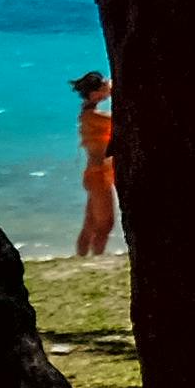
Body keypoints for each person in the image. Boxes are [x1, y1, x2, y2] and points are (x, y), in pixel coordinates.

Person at [70, 70, 119, 257]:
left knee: (90, 224)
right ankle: (97, 259)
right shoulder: (93, 117)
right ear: (94, 94)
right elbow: (119, 120)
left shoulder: (89, 114)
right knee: (105, 225)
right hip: (99, 175)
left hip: (98, 174)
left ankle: (82, 259)